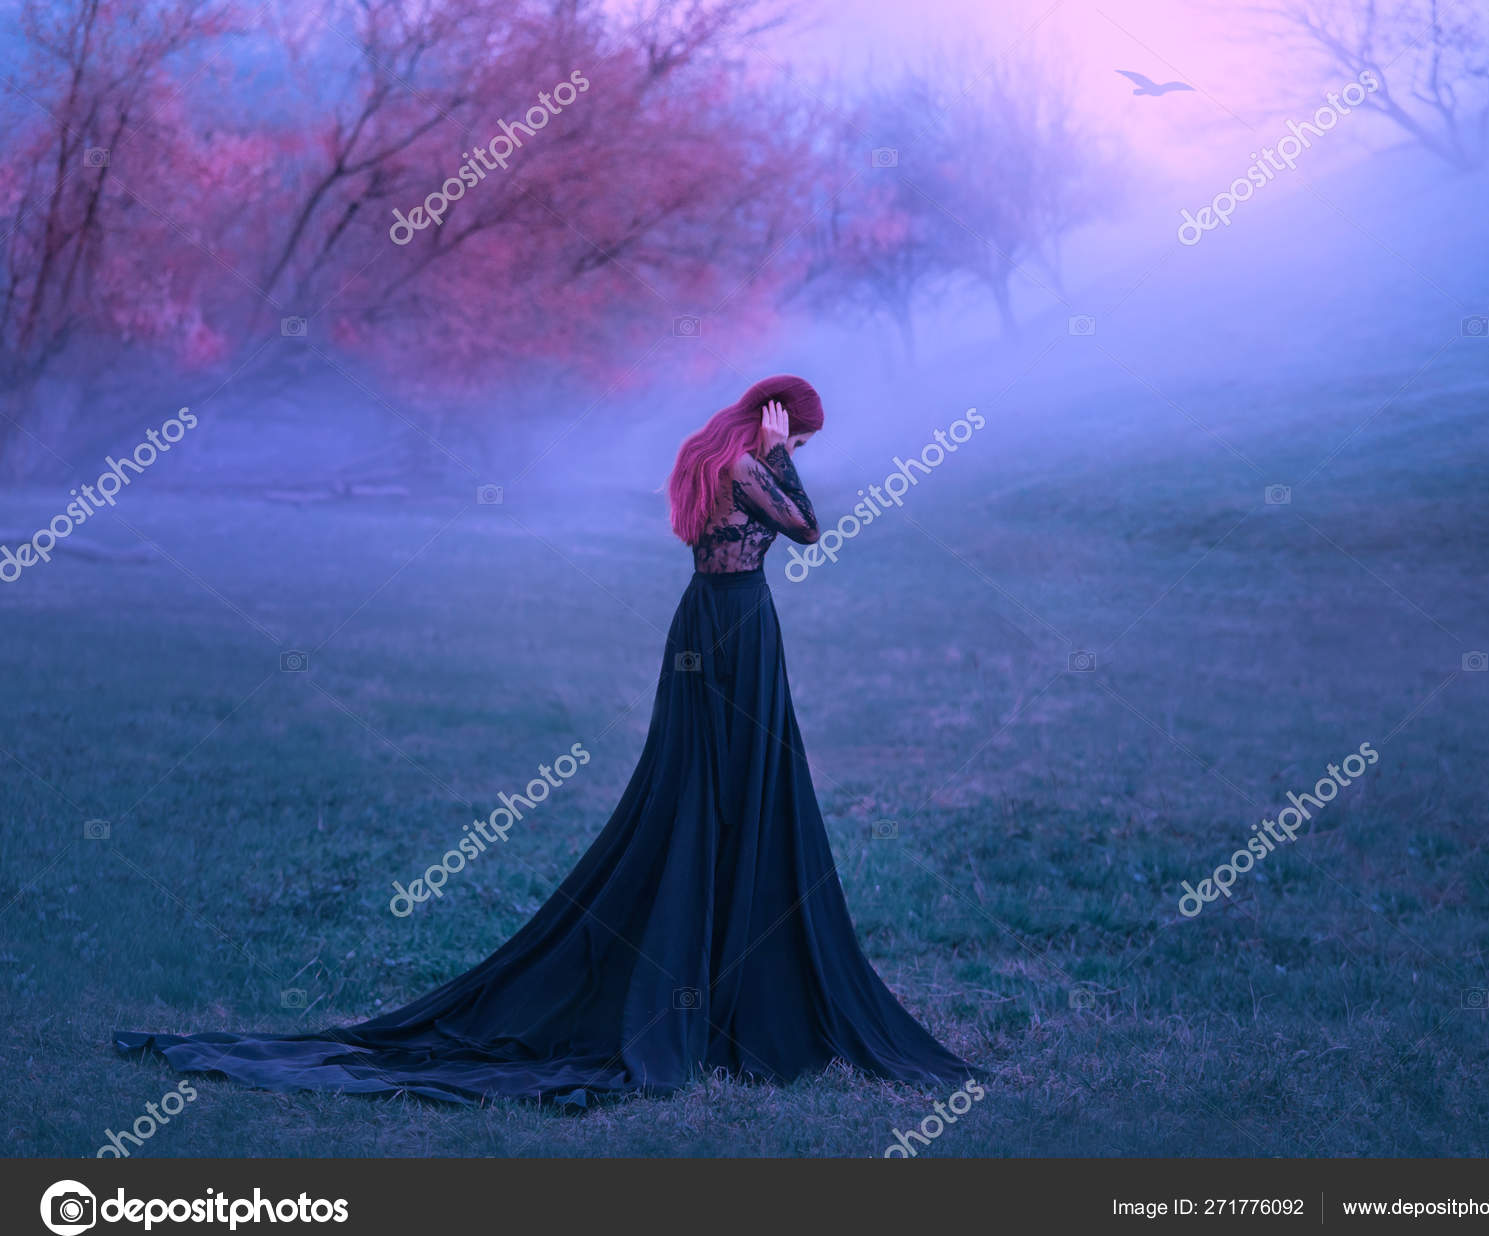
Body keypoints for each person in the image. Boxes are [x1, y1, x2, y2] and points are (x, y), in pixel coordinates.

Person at [116, 374, 981, 1105]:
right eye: (799, 431)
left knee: (700, 783)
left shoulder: (701, 460)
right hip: (740, 630)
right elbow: (807, 530)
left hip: (699, 626)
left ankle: (720, 944)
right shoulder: (755, 466)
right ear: (773, 417)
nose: (800, 447)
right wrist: (785, 453)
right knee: (721, 783)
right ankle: (717, 956)